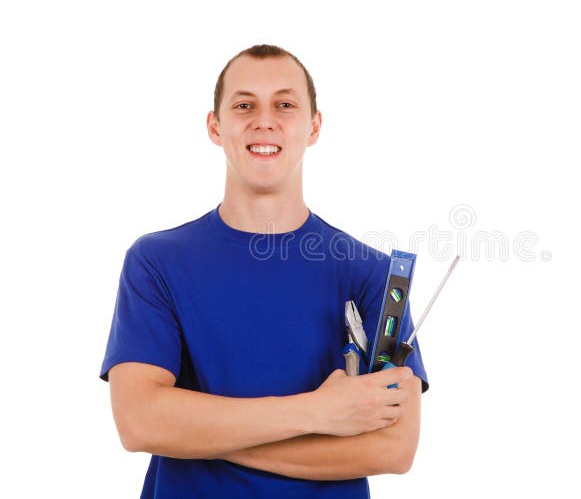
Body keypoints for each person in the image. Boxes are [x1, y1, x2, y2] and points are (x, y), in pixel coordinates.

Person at [99, 44, 429, 498]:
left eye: (285, 105)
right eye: (244, 105)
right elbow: (139, 422)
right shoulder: (155, 262)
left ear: (314, 126)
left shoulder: (372, 274)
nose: (264, 120)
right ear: (215, 126)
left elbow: (394, 448)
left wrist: (202, 436)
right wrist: (318, 411)